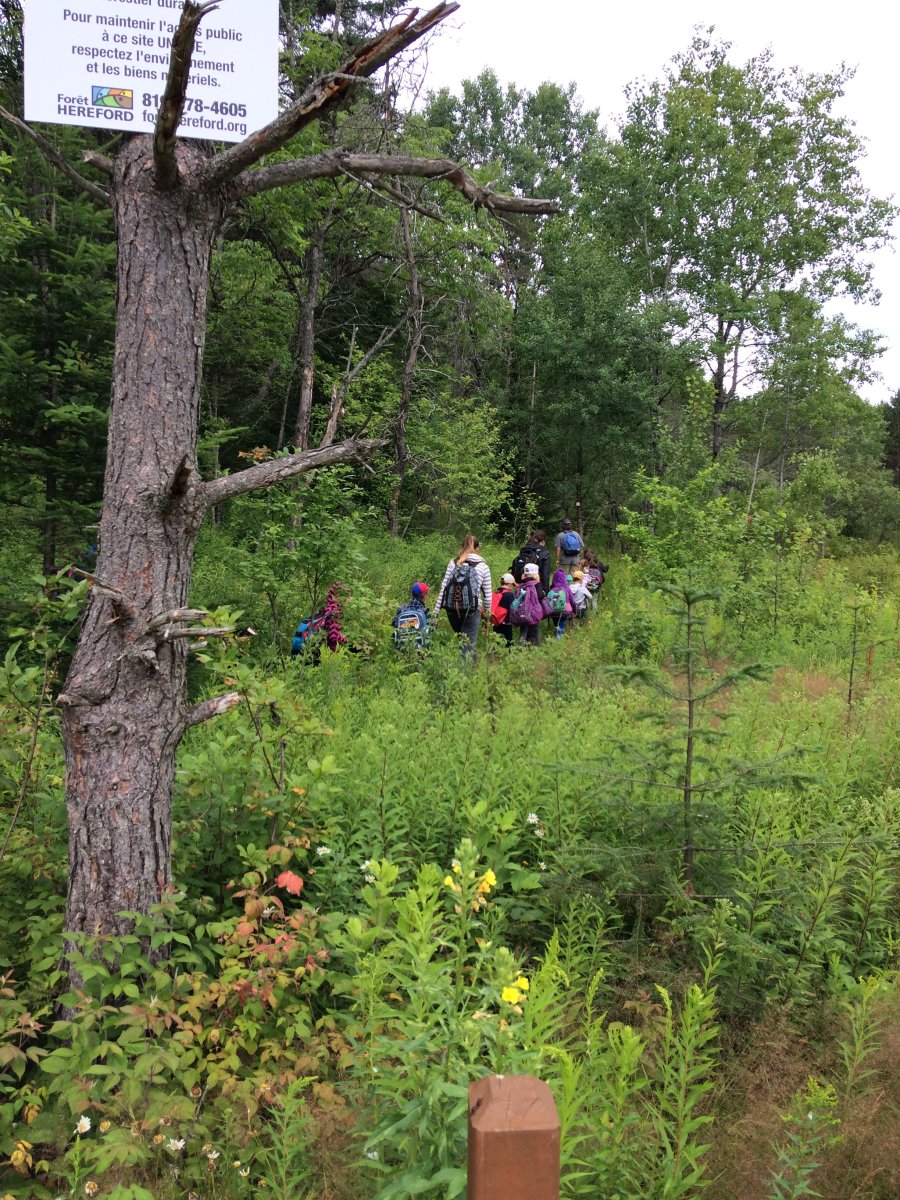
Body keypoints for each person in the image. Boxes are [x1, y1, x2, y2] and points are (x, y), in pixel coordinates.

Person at [434, 535, 492, 658]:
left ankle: (462, 670)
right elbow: (487, 596)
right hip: (472, 609)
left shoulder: (453, 563)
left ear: (462, 547)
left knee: (462, 640)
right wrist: (486, 617)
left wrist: (435, 613)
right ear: (478, 548)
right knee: (469, 645)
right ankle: (468, 673)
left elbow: (443, 589)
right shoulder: (483, 566)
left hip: (452, 609)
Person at [512, 561, 547, 646]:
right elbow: (540, 596)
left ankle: (521, 647)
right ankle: (537, 646)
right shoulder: (536, 584)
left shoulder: (522, 584)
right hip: (533, 612)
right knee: (535, 630)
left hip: (522, 611)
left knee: (523, 630)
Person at [392, 582, 433, 650]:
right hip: (420, 645)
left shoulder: (402, 609)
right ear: (423, 595)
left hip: (403, 644)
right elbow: (430, 627)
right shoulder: (425, 611)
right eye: (426, 594)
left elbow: (394, 624)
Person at [546, 568, 577, 637]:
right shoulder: (566, 588)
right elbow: (572, 601)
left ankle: (557, 633)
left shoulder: (552, 588)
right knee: (561, 625)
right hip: (564, 611)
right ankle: (559, 637)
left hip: (553, 611)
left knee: (557, 623)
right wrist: (574, 610)